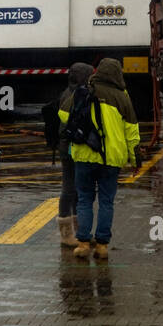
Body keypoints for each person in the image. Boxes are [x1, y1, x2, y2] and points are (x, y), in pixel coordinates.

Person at [59, 57, 140, 260]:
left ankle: (83, 243)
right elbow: (132, 132)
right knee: (106, 202)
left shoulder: (84, 91)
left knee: (84, 200)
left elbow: (62, 114)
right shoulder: (123, 96)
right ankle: (102, 246)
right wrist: (134, 160)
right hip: (111, 158)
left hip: (85, 156)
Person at [55, 62, 95, 247]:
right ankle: (66, 234)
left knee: (76, 189)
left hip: (74, 148)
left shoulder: (72, 92)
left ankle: (80, 231)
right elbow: (67, 126)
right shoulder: (71, 96)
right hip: (69, 149)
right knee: (69, 189)